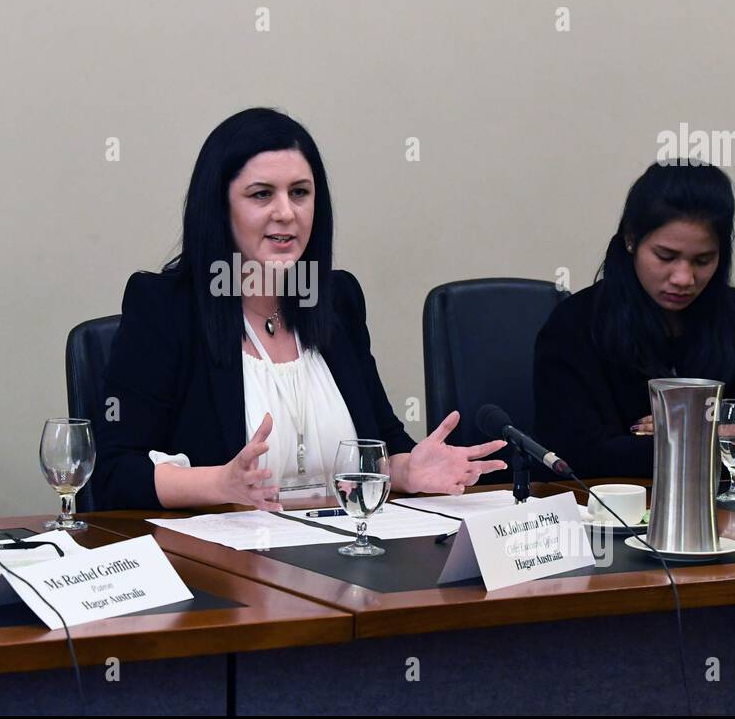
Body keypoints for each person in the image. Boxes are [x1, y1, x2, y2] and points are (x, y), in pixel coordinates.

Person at [92, 108, 507, 511]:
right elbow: (115, 474)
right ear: (219, 207)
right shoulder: (166, 307)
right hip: (221, 570)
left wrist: (406, 471)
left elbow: (381, 442)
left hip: (341, 567)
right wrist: (221, 483)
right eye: (261, 194)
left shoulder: (336, 299)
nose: (286, 213)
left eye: (300, 193)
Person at [533, 160, 735, 480]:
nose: (683, 278)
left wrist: (682, 432)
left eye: (703, 260)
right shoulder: (575, 325)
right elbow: (574, 455)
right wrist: (709, 436)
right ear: (631, 239)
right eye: (666, 257)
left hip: (733, 517)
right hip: (614, 517)